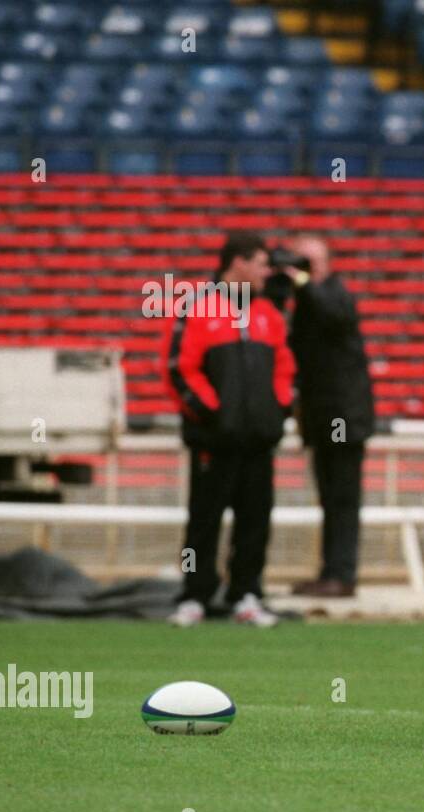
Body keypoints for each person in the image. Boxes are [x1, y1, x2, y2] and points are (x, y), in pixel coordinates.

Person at [163, 231, 296, 627]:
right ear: (237, 263)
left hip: (258, 441)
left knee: (255, 520)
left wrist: (277, 411)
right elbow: (178, 369)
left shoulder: (268, 314)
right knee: (204, 519)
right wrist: (215, 413)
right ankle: (195, 596)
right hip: (213, 440)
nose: (266, 272)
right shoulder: (197, 308)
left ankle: (247, 594)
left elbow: (286, 369)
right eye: (260, 263)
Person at [279, 235, 375, 598]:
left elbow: (334, 314)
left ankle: (342, 575)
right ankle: (329, 573)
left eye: (309, 261)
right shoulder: (306, 300)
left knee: (342, 499)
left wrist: (301, 280)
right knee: (329, 498)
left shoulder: (335, 293)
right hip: (322, 419)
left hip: (345, 419)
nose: (303, 268)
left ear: (327, 264)